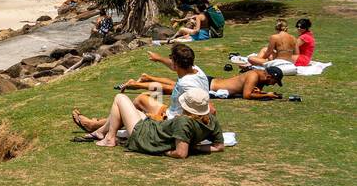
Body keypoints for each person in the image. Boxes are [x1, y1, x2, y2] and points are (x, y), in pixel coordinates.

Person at [71, 87, 223, 156]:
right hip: (154, 128)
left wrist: (188, 149)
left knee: (120, 98)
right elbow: (219, 146)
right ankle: (99, 132)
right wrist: (195, 147)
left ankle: (109, 139)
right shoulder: (211, 120)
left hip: (146, 136)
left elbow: (181, 153)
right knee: (128, 109)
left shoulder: (184, 122)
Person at [120, 65, 284, 100]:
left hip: (210, 83)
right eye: (274, 82)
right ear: (270, 77)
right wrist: (267, 95)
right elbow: (247, 95)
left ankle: (147, 77)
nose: (272, 86)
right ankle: (134, 84)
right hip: (208, 86)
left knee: (174, 83)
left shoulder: (258, 77)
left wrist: (264, 93)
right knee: (172, 89)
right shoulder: (254, 76)